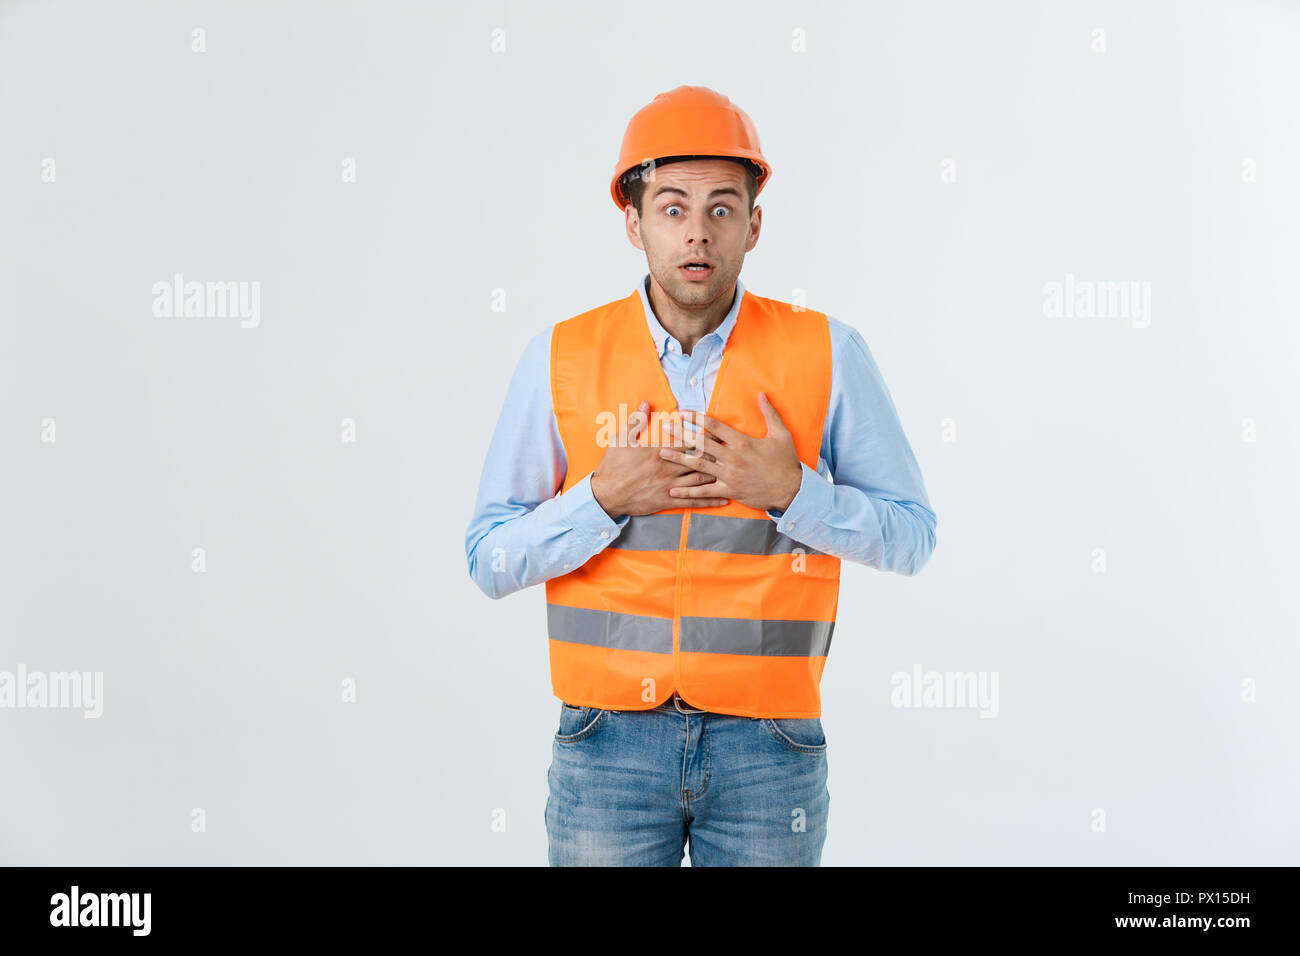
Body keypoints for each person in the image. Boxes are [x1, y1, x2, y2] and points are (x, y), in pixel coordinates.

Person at [465, 85, 937, 866]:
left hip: (770, 747)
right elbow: (490, 559)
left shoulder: (829, 353)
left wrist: (793, 494)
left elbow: (912, 538)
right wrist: (599, 501)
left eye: (722, 208)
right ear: (633, 222)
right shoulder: (562, 358)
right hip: (605, 743)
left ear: (754, 224)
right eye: (673, 207)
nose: (697, 232)